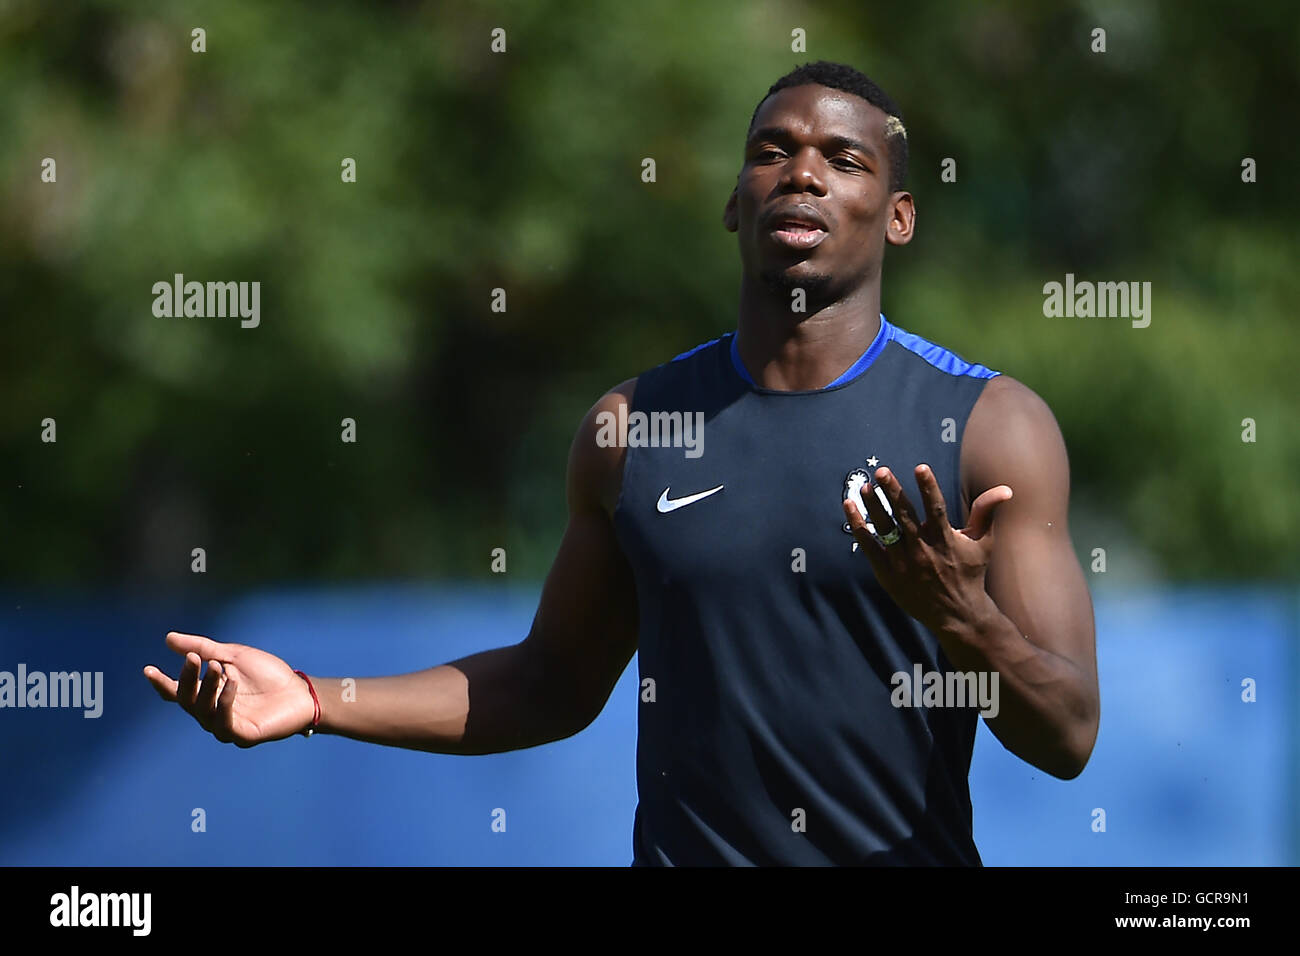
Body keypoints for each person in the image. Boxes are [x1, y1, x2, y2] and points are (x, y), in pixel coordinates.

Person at [144, 60, 1099, 866]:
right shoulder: (632, 427)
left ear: (897, 217)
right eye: (773, 152)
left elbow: (1067, 735)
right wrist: (315, 698)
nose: (801, 174)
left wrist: (962, 615)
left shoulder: (989, 426)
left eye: (843, 160)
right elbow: (551, 682)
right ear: (736, 202)